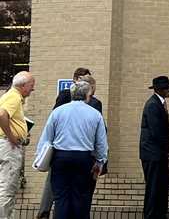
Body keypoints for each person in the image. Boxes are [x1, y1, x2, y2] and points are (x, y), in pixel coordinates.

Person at [35, 80, 107, 218]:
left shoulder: (58, 112)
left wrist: (41, 157)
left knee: (61, 198)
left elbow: (46, 138)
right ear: (88, 95)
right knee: (81, 198)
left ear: (72, 94)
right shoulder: (95, 114)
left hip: (61, 158)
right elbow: (101, 144)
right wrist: (100, 161)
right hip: (84, 159)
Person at [140, 75, 169, 219]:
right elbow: (156, 131)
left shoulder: (158, 103)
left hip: (157, 154)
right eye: (167, 88)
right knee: (154, 188)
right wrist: (168, 146)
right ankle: (152, 215)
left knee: (160, 186)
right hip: (153, 154)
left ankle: (159, 214)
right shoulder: (153, 105)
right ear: (160, 90)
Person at [0, 71, 33, 217]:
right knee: (8, 187)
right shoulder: (14, 96)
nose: (33, 89)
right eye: (32, 85)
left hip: (6, 144)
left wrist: (21, 132)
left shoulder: (9, 96)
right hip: (9, 146)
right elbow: (2, 115)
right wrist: (12, 137)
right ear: (24, 85)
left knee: (6, 185)